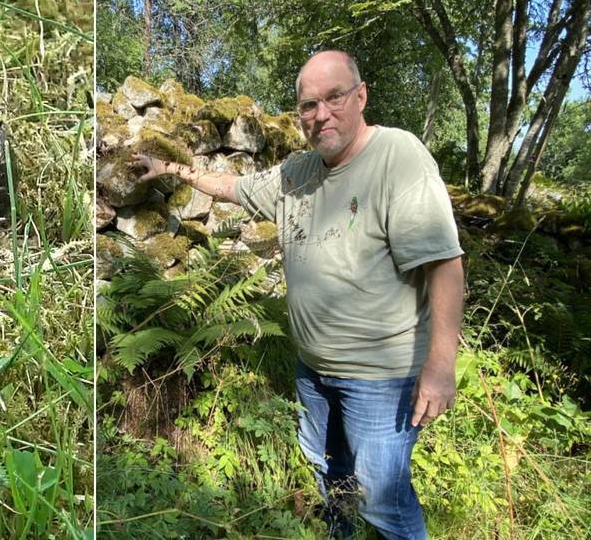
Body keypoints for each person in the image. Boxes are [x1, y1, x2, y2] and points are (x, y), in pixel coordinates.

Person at [129, 50, 464, 540]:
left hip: (381, 378)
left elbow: (445, 264)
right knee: (330, 476)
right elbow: (233, 186)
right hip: (313, 370)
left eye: (334, 98)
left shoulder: (398, 156)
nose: (321, 114)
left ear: (361, 95)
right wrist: (172, 169)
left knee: (384, 500)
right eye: (309, 105)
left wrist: (440, 367)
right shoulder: (298, 172)